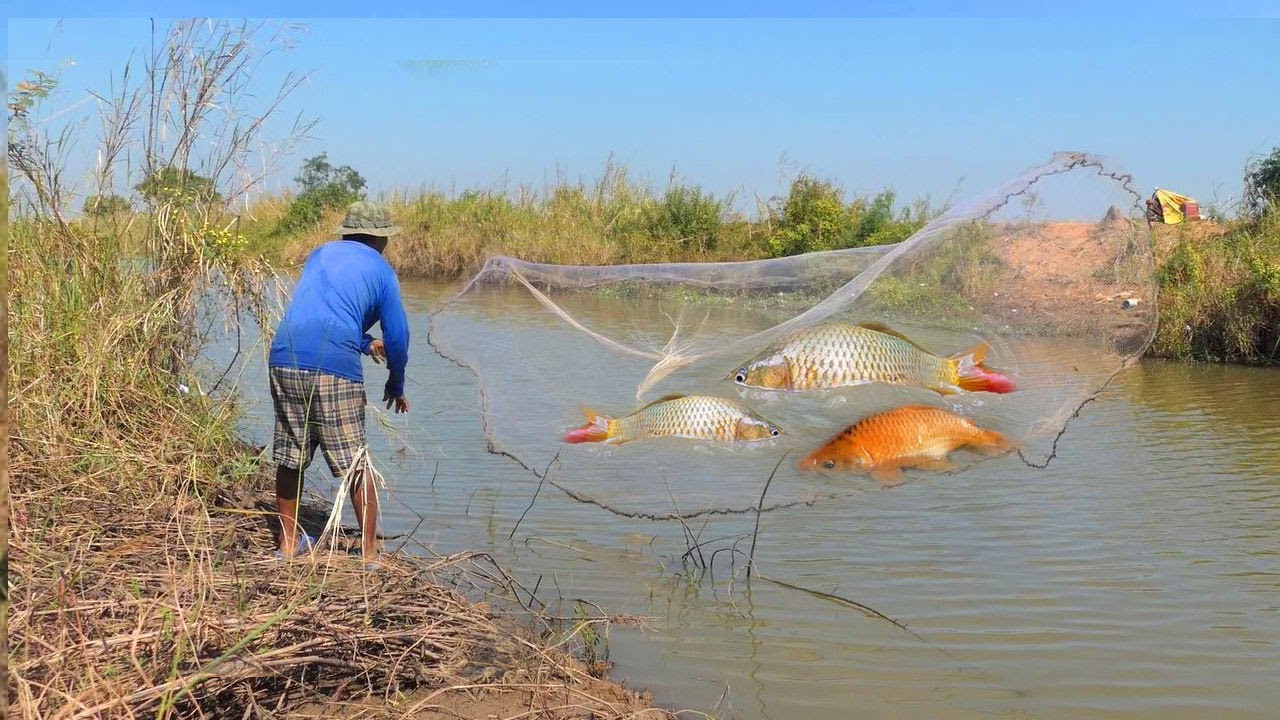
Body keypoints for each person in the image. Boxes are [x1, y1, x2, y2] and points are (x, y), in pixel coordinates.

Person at [268, 200, 410, 562]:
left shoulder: (319, 255)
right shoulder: (382, 271)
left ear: (347, 234)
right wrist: (395, 384)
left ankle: (287, 546)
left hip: (285, 356)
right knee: (355, 462)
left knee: (291, 457)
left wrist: (364, 343)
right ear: (380, 239)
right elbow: (398, 338)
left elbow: (324, 311)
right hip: (335, 369)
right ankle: (369, 554)